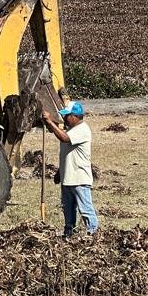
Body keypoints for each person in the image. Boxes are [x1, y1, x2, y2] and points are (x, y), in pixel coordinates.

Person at [42, 100, 99, 237]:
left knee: (85, 210)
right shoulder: (71, 130)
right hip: (68, 178)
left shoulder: (82, 129)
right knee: (68, 210)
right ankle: (68, 234)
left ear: (75, 116)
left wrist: (50, 122)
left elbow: (64, 138)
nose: (65, 118)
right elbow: (68, 154)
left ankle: (94, 234)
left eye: (67, 116)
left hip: (79, 178)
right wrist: (59, 172)